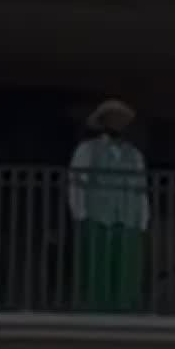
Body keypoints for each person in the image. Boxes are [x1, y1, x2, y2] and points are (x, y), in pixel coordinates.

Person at [68, 99, 149, 312]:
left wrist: (142, 219)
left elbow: (141, 187)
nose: (117, 124)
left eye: (121, 120)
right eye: (113, 119)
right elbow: (77, 182)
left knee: (125, 264)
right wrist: (80, 212)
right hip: (96, 215)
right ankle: (95, 306)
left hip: (127, 217)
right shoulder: (88, 149)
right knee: (96, 264)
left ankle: (124, 306)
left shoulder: (134, 154)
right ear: (103, 122)